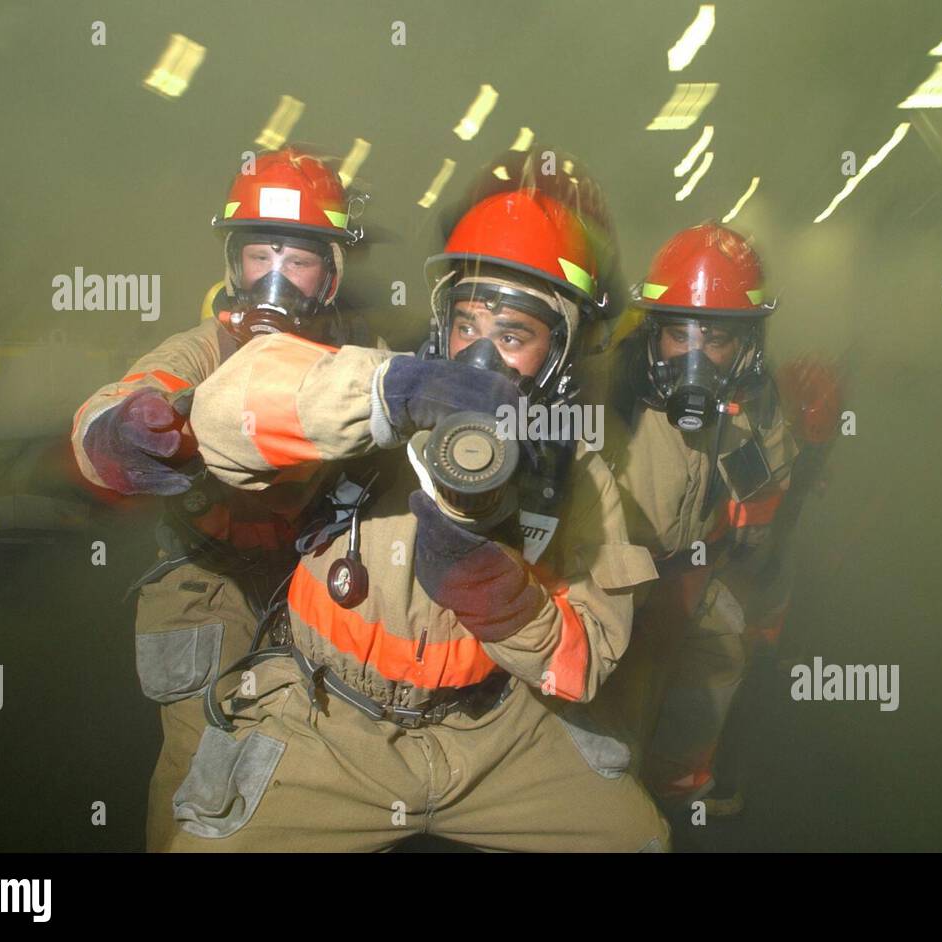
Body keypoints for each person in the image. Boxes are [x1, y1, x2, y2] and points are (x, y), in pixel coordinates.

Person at [167, 185, 668, 851]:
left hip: (494, 736)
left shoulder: (576, 479)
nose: (480, 357)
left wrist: (490, 589)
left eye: (513, 335)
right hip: (329, 723)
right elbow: (225, 419)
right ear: (442, 326)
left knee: (639, 839)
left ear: (557, 354)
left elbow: (584, 662)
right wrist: (389, 393)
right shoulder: (370, 406)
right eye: (467, 327)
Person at [70, 147, 372, 849]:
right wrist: (118, 430)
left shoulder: (353, 356)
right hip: (208, 584)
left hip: (316, 587)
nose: (274, 276)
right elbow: (131, 393)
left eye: (296, 259)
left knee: (319, 772)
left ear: (330, 274)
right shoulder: (205, 348)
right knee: (196, 782)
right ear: (233, 263)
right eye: (259, 253)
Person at [594, 222, 823, 817]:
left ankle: (679, 796)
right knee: (597, 725)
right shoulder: (604, 392)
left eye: (714, 337)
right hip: (603, 581)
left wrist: (757, 522)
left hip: (687, 578)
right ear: (653, 332)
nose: (692, 355)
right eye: (677, 332)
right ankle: (593, 808)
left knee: (719, 654)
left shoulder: (755, 404)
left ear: (746, 344)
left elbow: (764, 505)